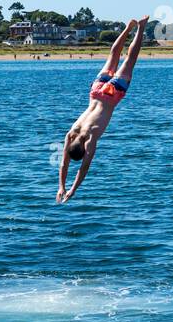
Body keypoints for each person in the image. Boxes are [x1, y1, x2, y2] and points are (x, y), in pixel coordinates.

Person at [57, 17, 148, 204]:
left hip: (112, 94)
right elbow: (64, 162)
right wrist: (61, 185)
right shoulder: (70, 134)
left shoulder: (90, 139)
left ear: (82, 149)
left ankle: (141, 28)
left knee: (130, 59)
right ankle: (127, 28)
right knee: (113, 54)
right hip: (96, 91)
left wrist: (70, 190)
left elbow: (83, 168)